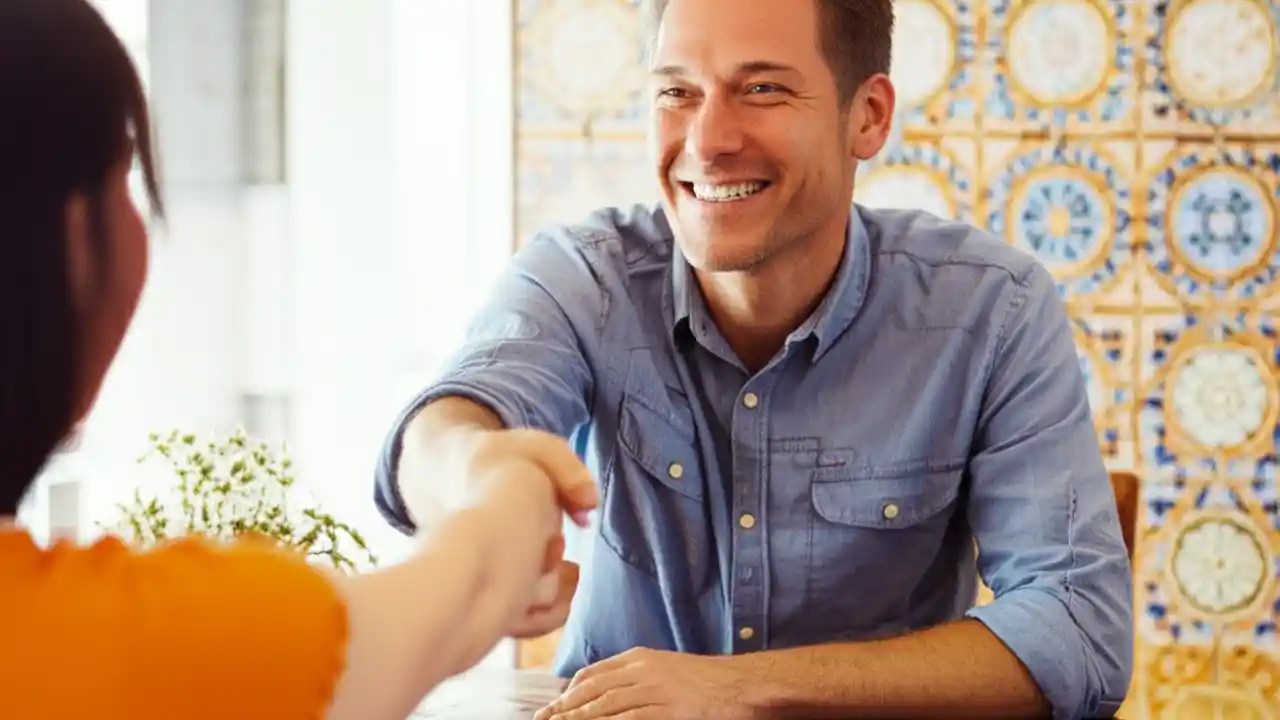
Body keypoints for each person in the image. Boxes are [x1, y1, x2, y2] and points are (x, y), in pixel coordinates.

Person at [376, 0, 1135, 717]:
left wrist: (738, 692)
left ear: (866, 116)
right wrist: (481, 477)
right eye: (677, 91)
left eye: (762, 89)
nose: (706, 142)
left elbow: (1080, 632)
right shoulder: (583, 277)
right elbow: (448, 425)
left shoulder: (992, 309)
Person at [0, 1, 597, 718]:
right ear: (69, 238)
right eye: (125, 173)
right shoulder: (156, 642)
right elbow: (465, 589)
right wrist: (510, 485)